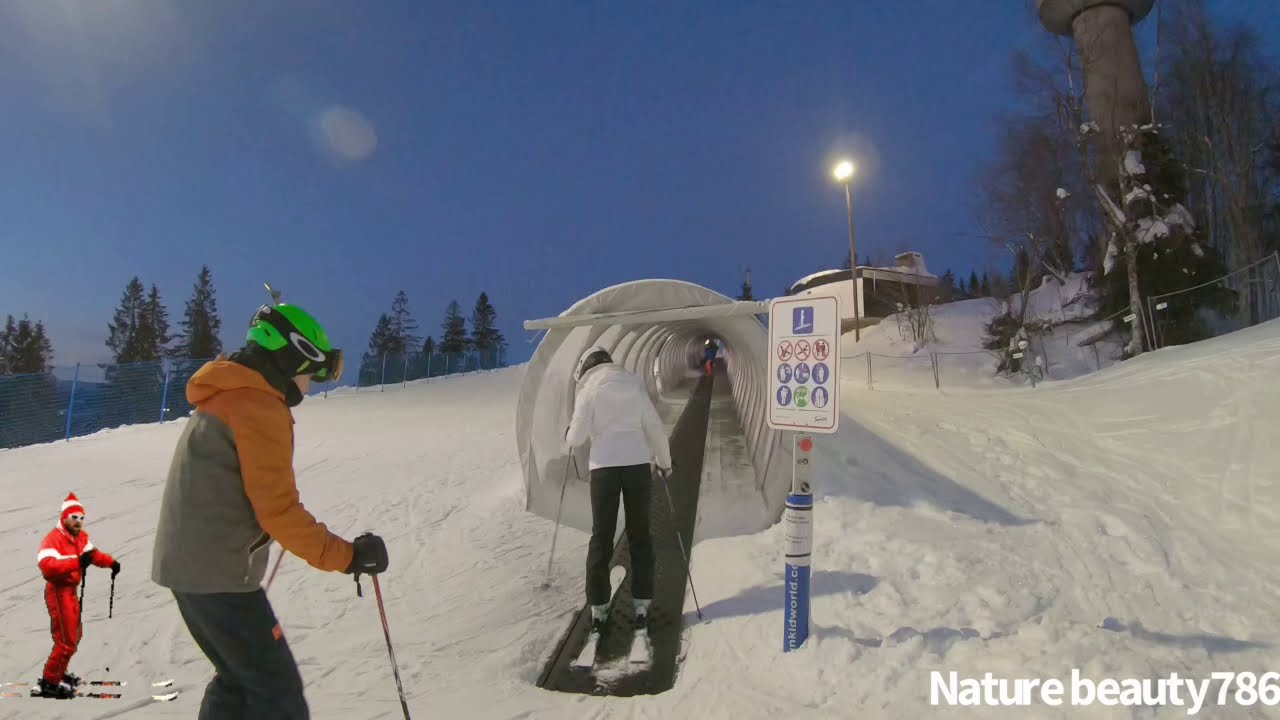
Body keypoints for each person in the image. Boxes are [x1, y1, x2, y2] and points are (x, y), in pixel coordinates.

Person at [151, 299, 389, 720]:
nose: (310, 385)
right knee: (277, 693)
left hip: (189, 570)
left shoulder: (231, 396)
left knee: (239, 681)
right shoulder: (258, 407)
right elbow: (278, 512)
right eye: (309, 373)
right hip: (218, 576)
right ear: (290, 357)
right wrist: (349, 556)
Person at [564, 347, 672, 635]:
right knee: (640, 533)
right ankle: (642, 602)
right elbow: (655, 428)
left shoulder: (589, 390)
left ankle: (598, 607)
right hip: (637, 466)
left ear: (587, 368)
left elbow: (576, 436)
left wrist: (569, 432)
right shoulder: (634, 384)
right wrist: (664, 463)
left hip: (604, 469)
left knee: (602, 535)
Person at [33, 492, 120, 699]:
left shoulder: (80, 538)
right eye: (74, 517)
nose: (78, 522)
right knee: (66, 640)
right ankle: (50, 682)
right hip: (58, 592)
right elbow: (47, 567)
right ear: (65, 518)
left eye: (81, 518)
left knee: (74, 635)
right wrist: (75, 563)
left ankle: (58, 673)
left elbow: (92, 555)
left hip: (70, 592)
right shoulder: (53, 539)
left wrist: (111, 563)